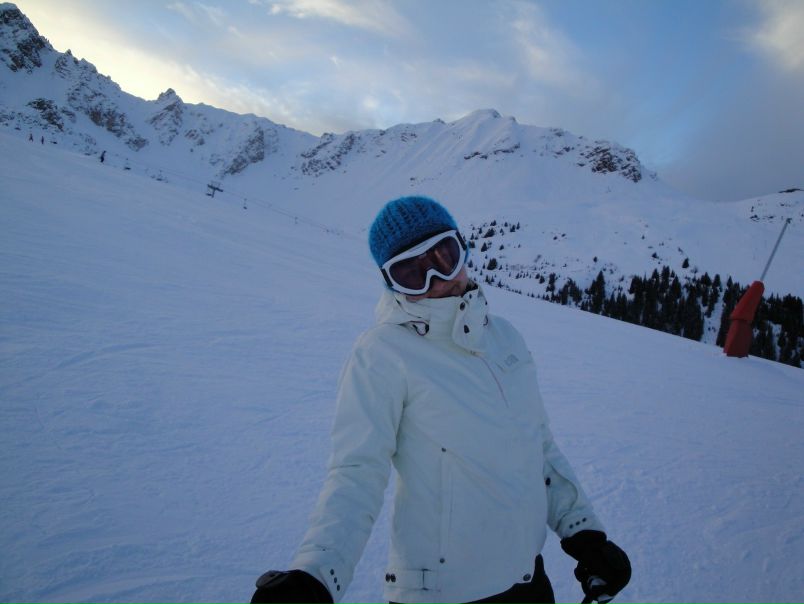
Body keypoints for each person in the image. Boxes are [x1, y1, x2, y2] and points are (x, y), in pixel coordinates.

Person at [251, 196, 631, 604]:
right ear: (391, 283)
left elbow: (538, 444)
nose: (435, 281)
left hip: (528, 581)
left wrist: (583, 532)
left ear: (461, 248)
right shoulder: (382, 353)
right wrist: (316, 573)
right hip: (440, 593)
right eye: (411, 273)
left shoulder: (505, 338)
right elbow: (357, 471)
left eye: (442, 257)